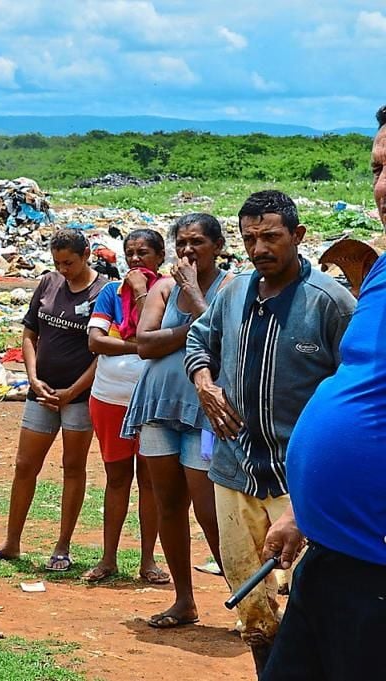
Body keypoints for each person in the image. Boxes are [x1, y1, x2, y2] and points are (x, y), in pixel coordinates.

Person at [185, 191, 355, 675]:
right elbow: (199, 339)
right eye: (250, 238)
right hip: (234, 469)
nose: (260, 248)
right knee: (253, 611)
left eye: (271, 237)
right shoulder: (233, 294)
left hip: (301, 484)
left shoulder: (330, 303)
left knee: (313, 604)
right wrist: (205, 384)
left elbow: (358, 385)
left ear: (298, 237)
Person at [259, 107, 386, 681]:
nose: (382, 187)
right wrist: (301, 510)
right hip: (330, 557)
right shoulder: (382, 273)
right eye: (378, 168)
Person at [0, 228, 106, 571]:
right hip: (42, 392)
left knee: (73, 468)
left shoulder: (103, 291)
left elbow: (102, 352)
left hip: (78, 396)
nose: (64, 270)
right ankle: (12, 542)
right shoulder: (48, 284)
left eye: (70, 263)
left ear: (86, 254)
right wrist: (32, 378)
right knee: (24, 466)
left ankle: (62, 547)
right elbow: (30, 334)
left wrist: (73, 392)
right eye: (58, 263)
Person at [123, 214, 230, 628]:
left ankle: (247, 600)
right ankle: (183, 600)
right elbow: (144, 344)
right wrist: (195, 329)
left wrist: (190, 298)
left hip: (205, 414)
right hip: (158, 408)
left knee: (209, 510)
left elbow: (225, 342)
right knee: (168, 505)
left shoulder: (231, 288)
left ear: (217, 246)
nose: (188, 252)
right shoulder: (162, 288)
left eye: (198, 243)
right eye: (182, 243)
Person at [82, 229, 167, 585]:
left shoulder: (168, 291)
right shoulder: (109, 293)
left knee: (151, 481)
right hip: (110, 398)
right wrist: (140, 347)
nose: (135, 260)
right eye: (129, 253)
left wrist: (142, 292)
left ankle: (148, 560)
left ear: (160, 256)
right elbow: (95, 342)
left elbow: (163, 334)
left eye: (143, 253)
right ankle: (108, 558)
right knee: (117, 479)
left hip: (152, 400)